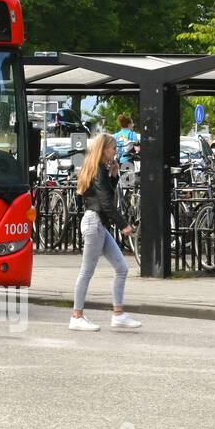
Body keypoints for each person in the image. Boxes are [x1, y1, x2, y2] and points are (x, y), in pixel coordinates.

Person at [70, 132, 142, 331]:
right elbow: (106, 203)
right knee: (86, 271)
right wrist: (123, 225)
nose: (115, 152)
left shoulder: (97, 169)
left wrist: (114, 176)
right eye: (113, 148)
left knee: (122, 268)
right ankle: (76, 316)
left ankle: (118, 315)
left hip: (98, 223)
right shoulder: (97, 171)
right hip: (95, 223)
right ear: (104, 150)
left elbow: (104, 196)